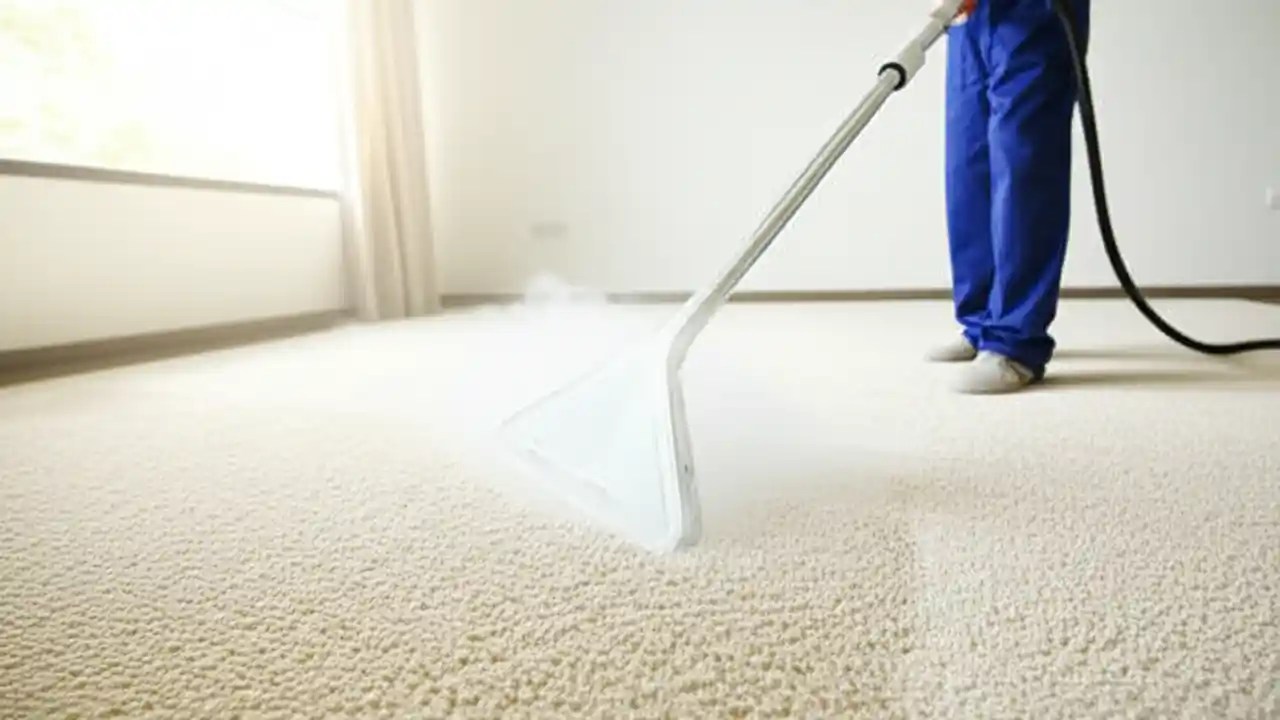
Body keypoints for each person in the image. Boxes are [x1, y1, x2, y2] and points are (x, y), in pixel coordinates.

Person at [929, 0, 1091, 393]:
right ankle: (982, 320)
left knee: (1023, 160)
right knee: (969, 158)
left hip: (1034, 9)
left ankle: (1015, 341)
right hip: (972, 16)